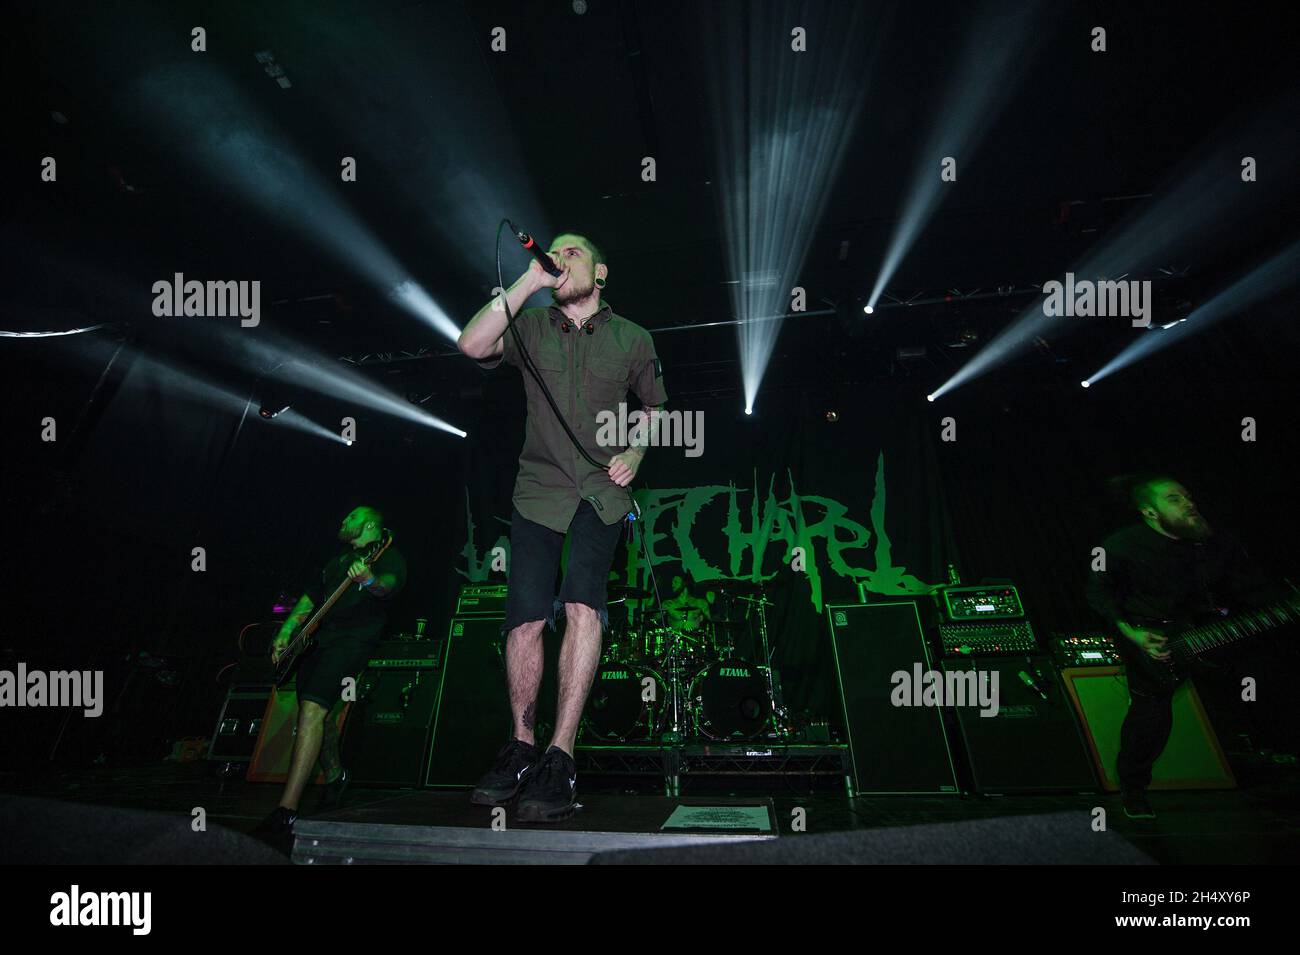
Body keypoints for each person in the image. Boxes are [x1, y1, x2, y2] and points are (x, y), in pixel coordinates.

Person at [457, 233, 667, 821]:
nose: (560, 257)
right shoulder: (532, 325)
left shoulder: (634, 338)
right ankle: (521, 746)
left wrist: (637, 452)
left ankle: (560, 755)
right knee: (524, 617)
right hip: (539, 490)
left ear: (602, 271)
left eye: (573, 252)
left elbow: (655, 409)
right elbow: (471, 343)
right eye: (555, 251)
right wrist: (527, 283)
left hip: (602, 491)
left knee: (581, 605)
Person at [1086, 475, 1285, 819]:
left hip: (1212, 635)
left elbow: (1253, 588)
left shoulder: (1213, 543)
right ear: (1149, 511)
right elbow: (1098, 594)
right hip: (1155, 642)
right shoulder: (1120, 546)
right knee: (1151, 717)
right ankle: (1133, 788)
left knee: (1266, 678)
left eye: (1188, 496)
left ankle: (1268, 754)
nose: (1188, 503)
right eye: (1174, 499)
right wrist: (1133, 633)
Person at [252, 506, 406, 849]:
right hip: (318, 641)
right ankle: (335, 776)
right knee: (319, 717)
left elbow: (388, 588)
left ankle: (286, 810)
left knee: (312, 709)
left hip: (353, 641)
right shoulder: (335, 561)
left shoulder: (387, 555)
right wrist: (288, 629)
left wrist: (369, 580)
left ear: (368, 524)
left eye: (350, 517)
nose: (342, 521)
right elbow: (311, 597)